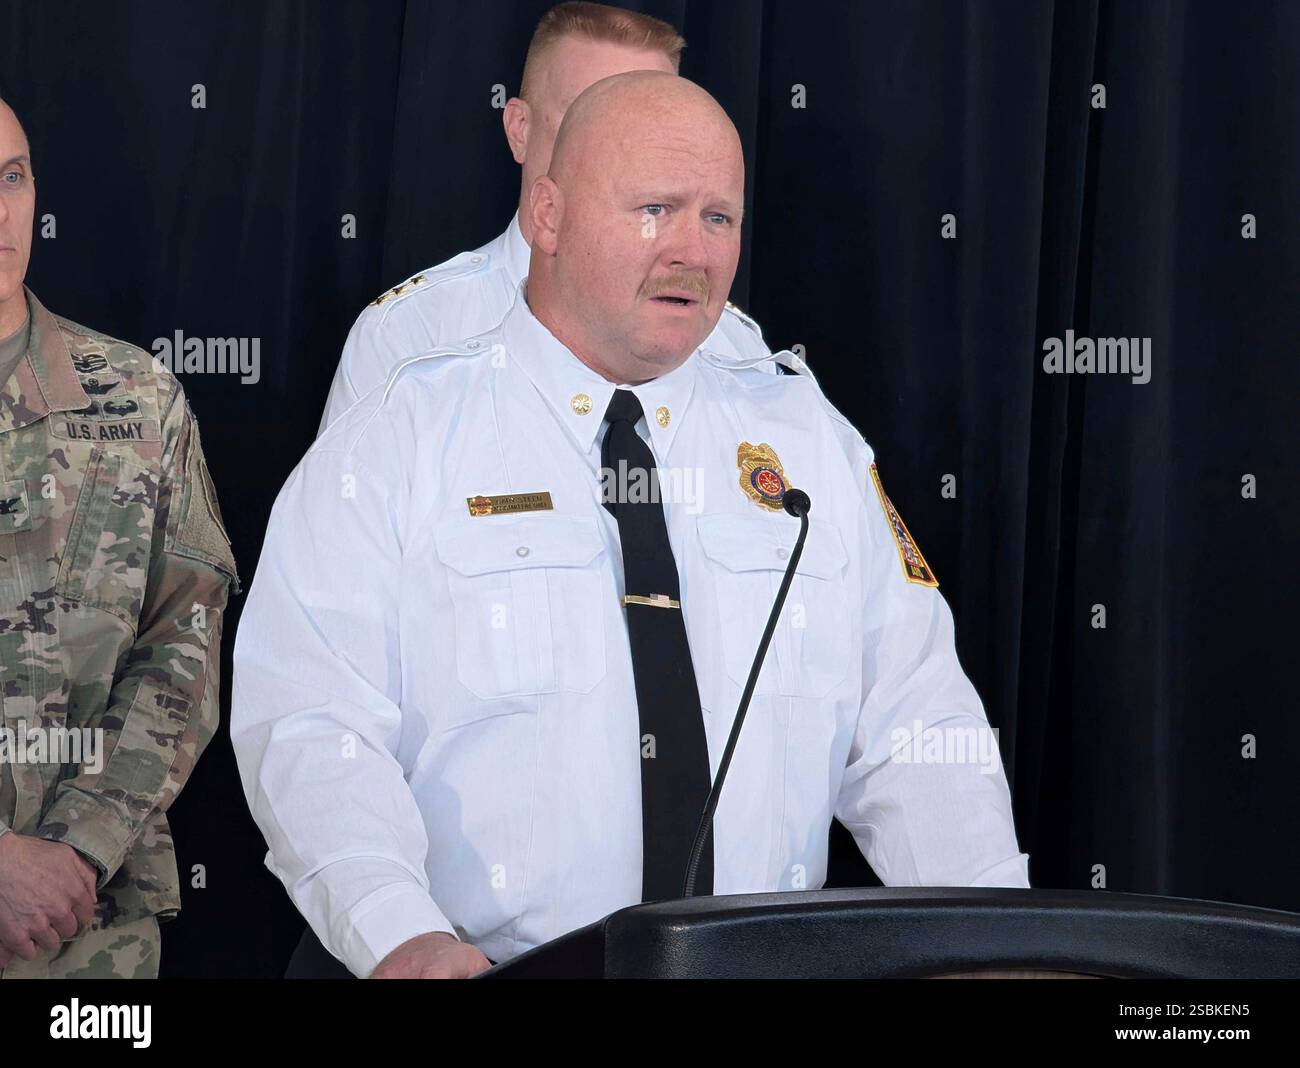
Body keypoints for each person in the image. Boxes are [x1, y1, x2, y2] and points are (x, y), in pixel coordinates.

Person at [232, 70, 1030, 981]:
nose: (692, 252)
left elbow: (913, 721)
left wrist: (994, 939)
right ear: (548, 215)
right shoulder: (401, 438)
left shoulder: (808, 442)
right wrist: (398, 933)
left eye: (719, 218)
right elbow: (309, 718)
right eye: (655, 209)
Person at [0, 95, 238, 978]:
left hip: (87, 929)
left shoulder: (137, 400)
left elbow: (186, 641)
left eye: (13, 178)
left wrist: (75, 847)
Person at [316, 0, 792, 435]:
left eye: (648, 129)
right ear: (519, 129)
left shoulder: (736, 350)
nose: (619, 154)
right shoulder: (410, 338)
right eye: (585, 116)